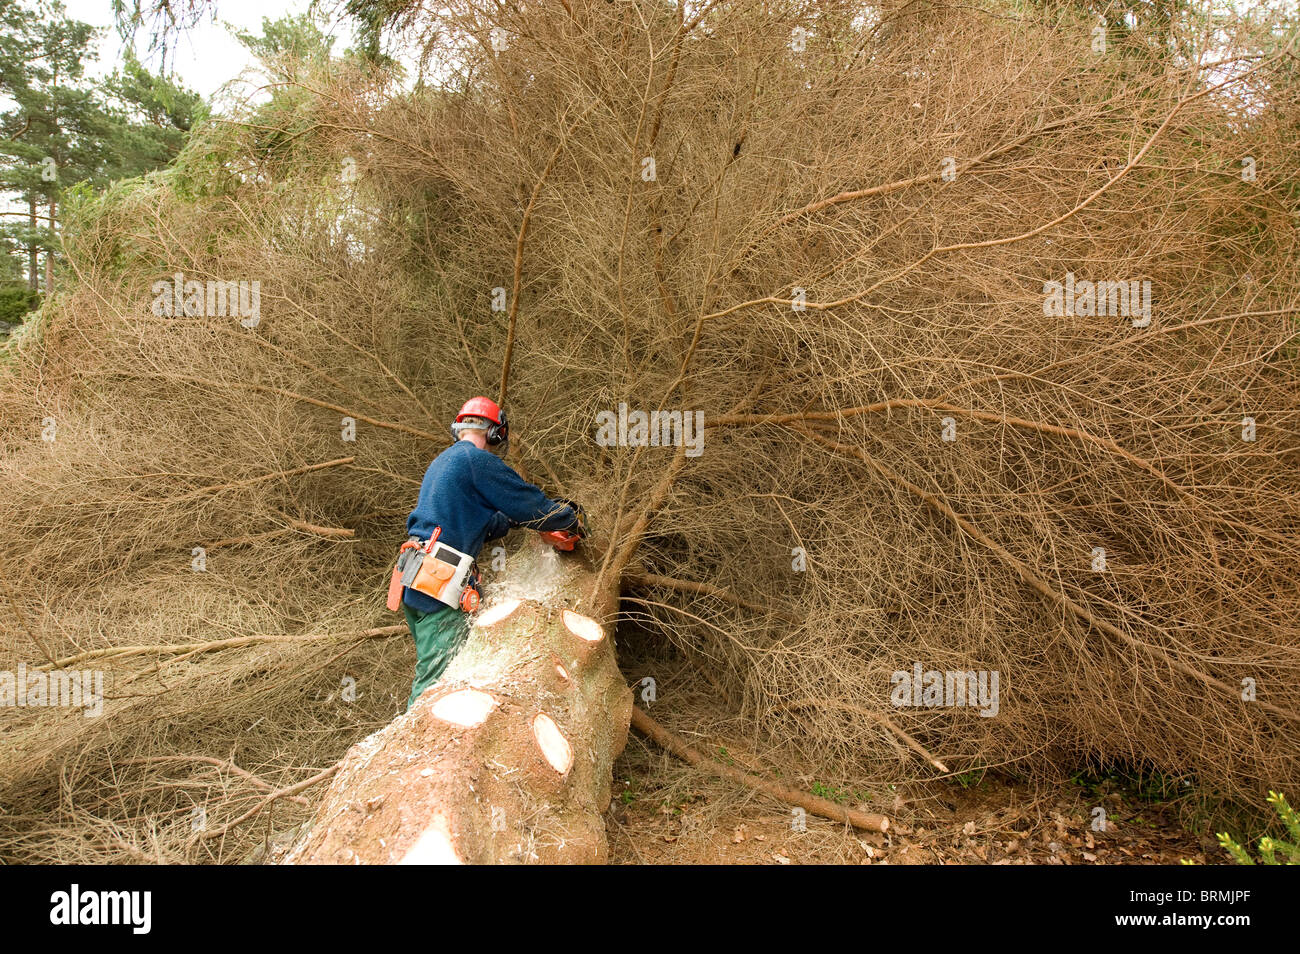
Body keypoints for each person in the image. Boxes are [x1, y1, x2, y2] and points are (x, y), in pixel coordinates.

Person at [398, 396, 585, 710]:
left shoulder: (444, 462)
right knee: (437, 682)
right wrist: (570, 518)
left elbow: (484, 520)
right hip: (438, 583)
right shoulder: (476, 461)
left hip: (415, 578)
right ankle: (407, 752)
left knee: (436, 671)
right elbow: (530, 504)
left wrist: (512, 520)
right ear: (496, 432)